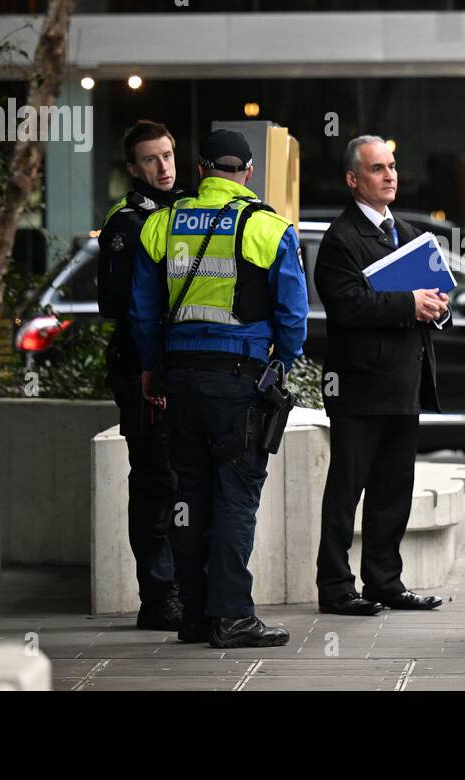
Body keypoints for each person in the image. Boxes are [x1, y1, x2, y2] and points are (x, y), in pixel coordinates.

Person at [131, 129, 308, 648]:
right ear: (248, 174)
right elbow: (292, 317)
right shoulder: (269, 228)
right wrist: (282, 365)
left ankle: (194, 616)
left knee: (189, 498)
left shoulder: (161, 225)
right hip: (239, 382)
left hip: (179, 382)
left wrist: (149, 369)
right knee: (235, 499)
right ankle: (232, 616)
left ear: (201, 168)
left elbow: (144, 312)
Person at [314, 135, 449, 615]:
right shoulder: (340, 239)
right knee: (347, 489)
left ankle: (384, 581)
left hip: (404, 382)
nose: (390, 175)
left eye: (392, 166)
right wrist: (409, 303)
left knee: (395, 487)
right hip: (360, 384)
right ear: (354, 179)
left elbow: (431, 298)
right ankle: (334, 587)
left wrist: (435, 307)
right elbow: (347, 305)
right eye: (377, 169)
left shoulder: (411, 234)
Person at [96, 120, 185, 631]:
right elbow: (114, 303)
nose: (163, 167)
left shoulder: (188, 211)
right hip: (141, 369)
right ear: (133, 168)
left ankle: (182, 588)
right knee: (155, 481)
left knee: (183, 482)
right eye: (151, 160)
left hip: (184, 369)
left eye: (168, 155)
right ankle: (159, 596)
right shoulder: (128, 223)